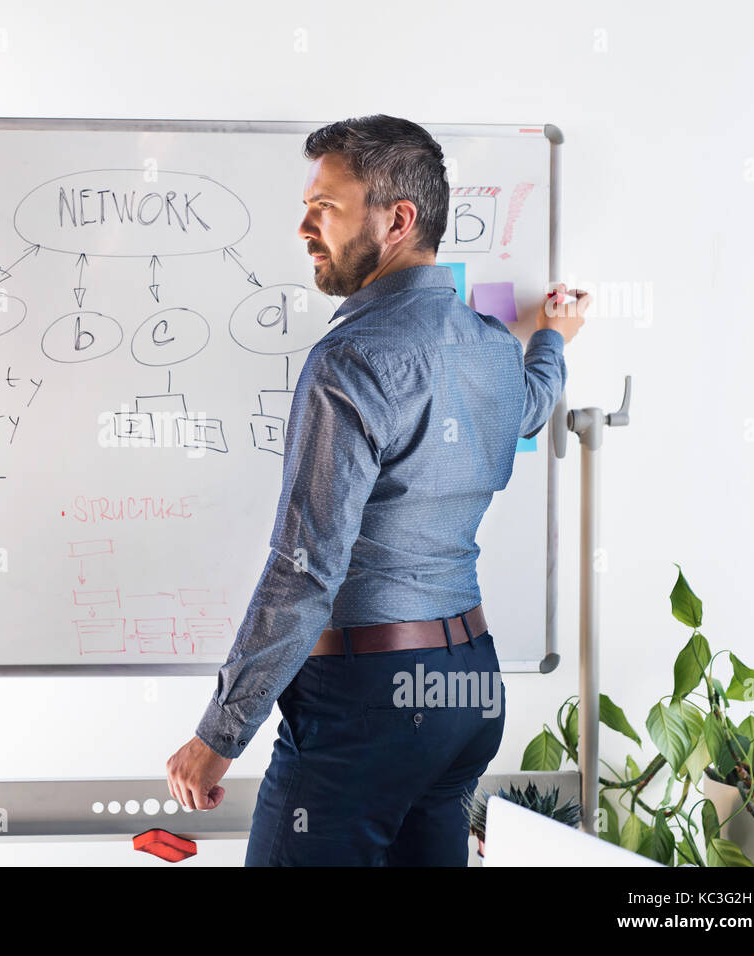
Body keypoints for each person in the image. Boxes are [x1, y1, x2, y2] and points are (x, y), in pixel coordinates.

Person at [165, 114, 588, 865]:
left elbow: (306, 570)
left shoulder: (350, 361)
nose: (303, 226)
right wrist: (553, 336)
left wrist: (219, 734)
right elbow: (531, 399)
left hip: (370, 704)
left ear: (398, 220)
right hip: (467, 693)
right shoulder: (491, 347)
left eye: (325, 206)